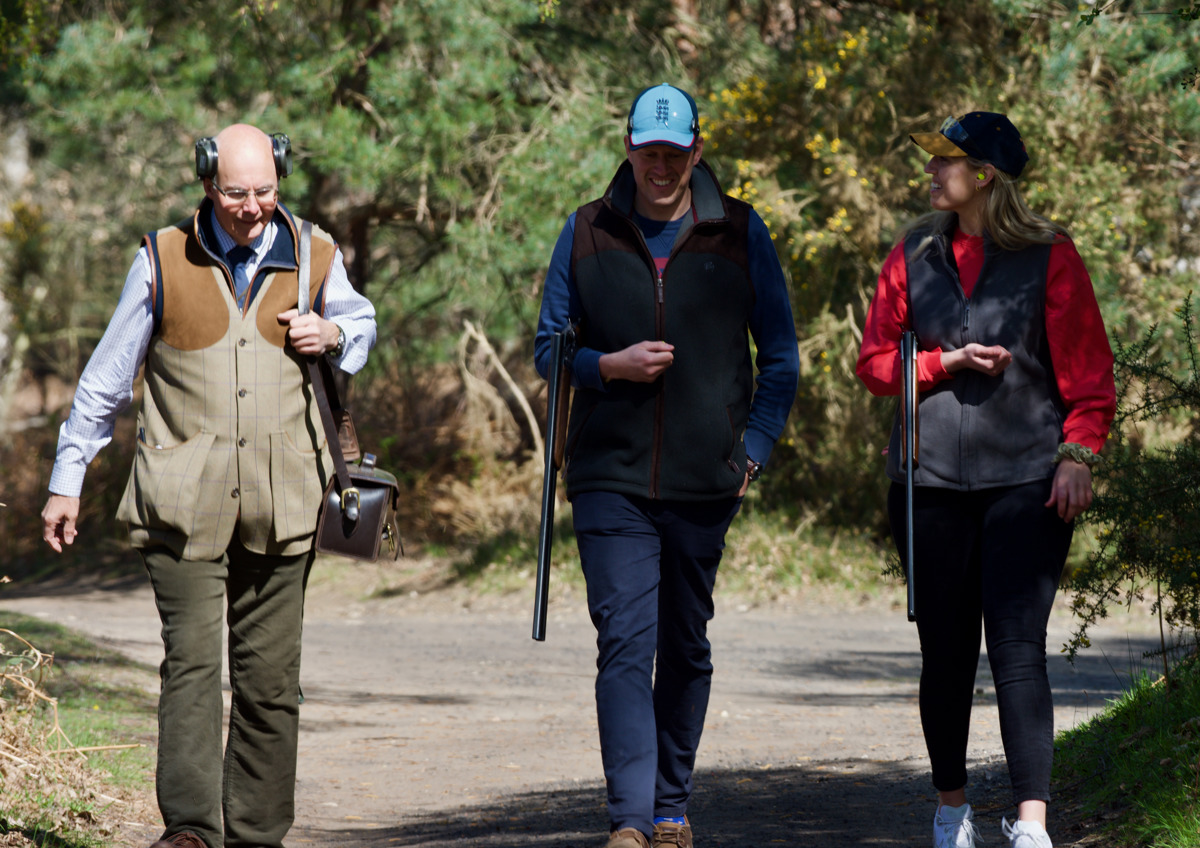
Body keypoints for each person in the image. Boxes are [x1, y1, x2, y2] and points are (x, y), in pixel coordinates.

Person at [40, 124, 377, 848]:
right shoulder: (161, 259)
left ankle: (256, 833)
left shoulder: (316, 252)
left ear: (279, 181)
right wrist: (68, 479)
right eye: (235, 193)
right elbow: (106, 381)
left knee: (270, 684)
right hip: (179, 503)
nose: (251, 207)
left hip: (286, 501)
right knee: (191, 667)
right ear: (205, 182)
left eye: (264, 192)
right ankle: (190, 831)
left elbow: (362, 323)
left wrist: (336, 335)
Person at [534, 83, 800, 848]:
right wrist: (606, 365)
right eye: (647, 151)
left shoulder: (739, 232)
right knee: (624, 640)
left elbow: (779, 357)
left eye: (673, 152)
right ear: (628, 149)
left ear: (696, 151)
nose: (660, 165)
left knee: (685, 642)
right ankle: (629, 820)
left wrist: (753, 448)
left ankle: (671, 805)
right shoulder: (586, 230)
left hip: (706, 475)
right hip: (607, 475)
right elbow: (549, 348)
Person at [856, 112, 1116, 848]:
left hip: (1026, 482)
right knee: (944, 652)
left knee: (1017, 647)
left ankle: (1031, 826)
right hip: (927, 483)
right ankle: (951, 813)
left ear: (986, 175)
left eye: (947, 160)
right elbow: (876, 368)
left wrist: (1078, 455)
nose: (932, 171)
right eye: (934, 159)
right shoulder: (913, 252)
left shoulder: (1050, 255)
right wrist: (944, 363)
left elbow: (1089, 376)